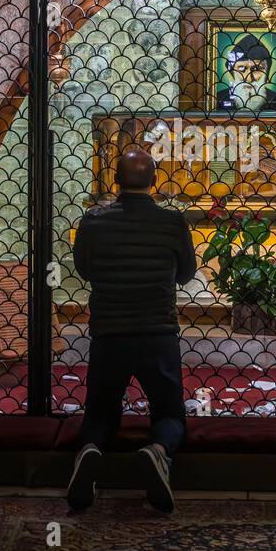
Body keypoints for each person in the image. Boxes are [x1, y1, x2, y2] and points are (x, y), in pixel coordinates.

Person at [67, 146, 197, 513]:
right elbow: (186, 274)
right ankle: (157, 451)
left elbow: (85, 269)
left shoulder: (93, 221)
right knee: (169, 412)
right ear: (155, 180)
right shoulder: (173, 223)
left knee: (101, 411)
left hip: (109, 331)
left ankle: (91, 451)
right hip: (157, 331)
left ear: (116, 180)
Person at [216, 33, 276, 111]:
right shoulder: (219, 99)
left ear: (267, 73)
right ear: (233, 73)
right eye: (241, 69)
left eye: (256, 69)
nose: (248, 78)